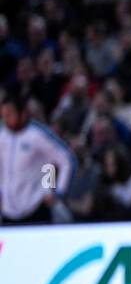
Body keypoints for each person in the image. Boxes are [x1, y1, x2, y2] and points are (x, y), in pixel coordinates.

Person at [0, 95, 76, 224]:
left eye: (9, 114)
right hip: (7, 210)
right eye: (3, 115)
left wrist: (57, 191)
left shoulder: (37, 136)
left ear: (22, 113)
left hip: (34, 207)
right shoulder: (2, 136)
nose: (6, 118)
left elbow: (64, 160)